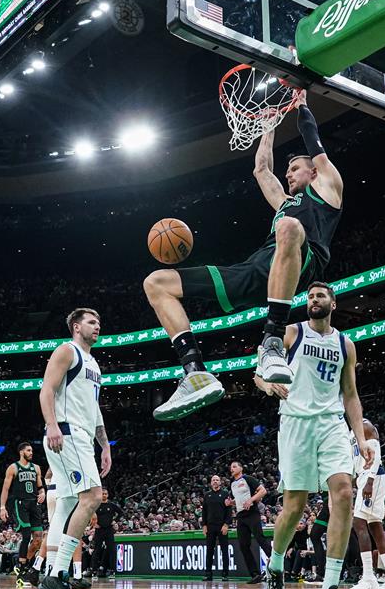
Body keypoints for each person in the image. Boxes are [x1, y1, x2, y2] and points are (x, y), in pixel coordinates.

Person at [147, 92, 343, 421]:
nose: (289, 173)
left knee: (290, 228)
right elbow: (262, 169)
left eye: (295, 168)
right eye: (289, 170)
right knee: (156, 282)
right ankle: (195, 372)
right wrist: (269, 124)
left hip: (303, 262)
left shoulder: (328, 190)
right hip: (256, 269)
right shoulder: (283, 204)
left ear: (313, 173)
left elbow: (315, 144)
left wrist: (302, 105)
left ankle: (272, 340)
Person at [255, 281, 371, 589]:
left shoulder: (345, 344)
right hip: (295, 423)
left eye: (320, 296)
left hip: (332, 423)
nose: (313, 300)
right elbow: (258, 372)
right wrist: (267, 385)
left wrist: (360, 437)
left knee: (344, 492)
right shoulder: (290, 333)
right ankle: (275, 569)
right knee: (294, 506)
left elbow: (350, 393)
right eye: (309, 296)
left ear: (333, 304)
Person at [38, 308, 112, 589]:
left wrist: (105, 445)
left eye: (99, 322)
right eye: (91, 322)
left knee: (67, 504)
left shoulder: (94, 363)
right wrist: (53, 425)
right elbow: (46, 390)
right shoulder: (67, 351)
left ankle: (48, 586)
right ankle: (58, 577)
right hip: (66, 432)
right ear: (76, 326)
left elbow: (94, 410)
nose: (97, 326)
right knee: (93, 497)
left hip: (81, 433)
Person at [348, 418, 385, 589]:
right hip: (363, 477)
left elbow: (377, 454)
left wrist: (370, 481)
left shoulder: (365, 426)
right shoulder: (350, 433)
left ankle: (368, 578)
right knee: (375, 527)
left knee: (359, 523)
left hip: (373, 477)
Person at [0, 442, 46, 579]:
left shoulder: (36, 468)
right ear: (21, 452)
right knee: (26, 536)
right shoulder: (13, 468)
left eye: (32, 450)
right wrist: (3, 507)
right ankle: (22, 567)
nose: (31, 453)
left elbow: (40, 486)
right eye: (28, 450)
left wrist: (42, 493)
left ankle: (24, 566)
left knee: (38, 539)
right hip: (20, 504)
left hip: (34, 504)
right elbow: (5, 489)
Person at [228, 461, 272, 583]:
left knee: (260, 539)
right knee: (243, 545)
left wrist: (251, 500)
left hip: (252, 513)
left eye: (234, 466)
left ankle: (277, 565)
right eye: (231, 467)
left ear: (241, 468)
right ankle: (255, 574)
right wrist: (230, 503)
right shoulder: (232, 484)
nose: (232, 469)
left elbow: (262, 491)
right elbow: (237, 499)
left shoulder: (248, 478)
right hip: (240, 516)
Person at [201, 474, 232, 581]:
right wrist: (204, 525)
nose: (215, 481)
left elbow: (229, 511)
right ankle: (208, 574)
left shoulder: (225, 494)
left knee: (224, 550)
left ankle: (225, 574)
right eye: (213, 480)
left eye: (217, 480)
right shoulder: (207, 495)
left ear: (220, 482)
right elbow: (204, 511)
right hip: (210, 526)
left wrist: (226, 524)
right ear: (211, 483)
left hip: (222, 526)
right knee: (209, 550)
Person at [91, 488, 122, 577]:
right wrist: (94, 524)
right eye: (102, 494)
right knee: (96, 550)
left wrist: (115, 520)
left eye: (105, 494)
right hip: (99, 530)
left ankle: (112, 570)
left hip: (109, 530)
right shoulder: (96, 505)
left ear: (107, 495)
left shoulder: (111, 505)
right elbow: (89, 514)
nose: (104, 495)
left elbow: (120, 513)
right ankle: (94, 571)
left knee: (112, 550)